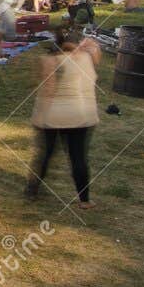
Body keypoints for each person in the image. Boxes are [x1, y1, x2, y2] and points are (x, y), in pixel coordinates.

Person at [26, 35, 100, 209]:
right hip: (83, 116)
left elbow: (48, 90)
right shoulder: (86, 58)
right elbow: (96, 56)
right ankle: (85, 200)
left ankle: (32, 190)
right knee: (78, 157)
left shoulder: (50, 61)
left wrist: (40, 116)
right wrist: (88, 46)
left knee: (45, 154)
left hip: (55, 116)